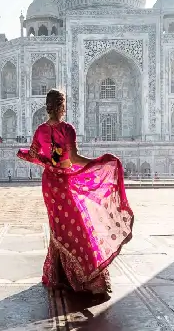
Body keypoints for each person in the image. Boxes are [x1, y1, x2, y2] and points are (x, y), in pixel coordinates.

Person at [18, 89, 133, 298]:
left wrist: (47, 162)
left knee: (58, 227)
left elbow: (34, 155)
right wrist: (97, 162)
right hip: (63, 181)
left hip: (50, 184)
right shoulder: (67, 129)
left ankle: (59, 275)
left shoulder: (41, 130)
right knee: (77, 224)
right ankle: (85, 276)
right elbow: (73, 159)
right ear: (62, 107)